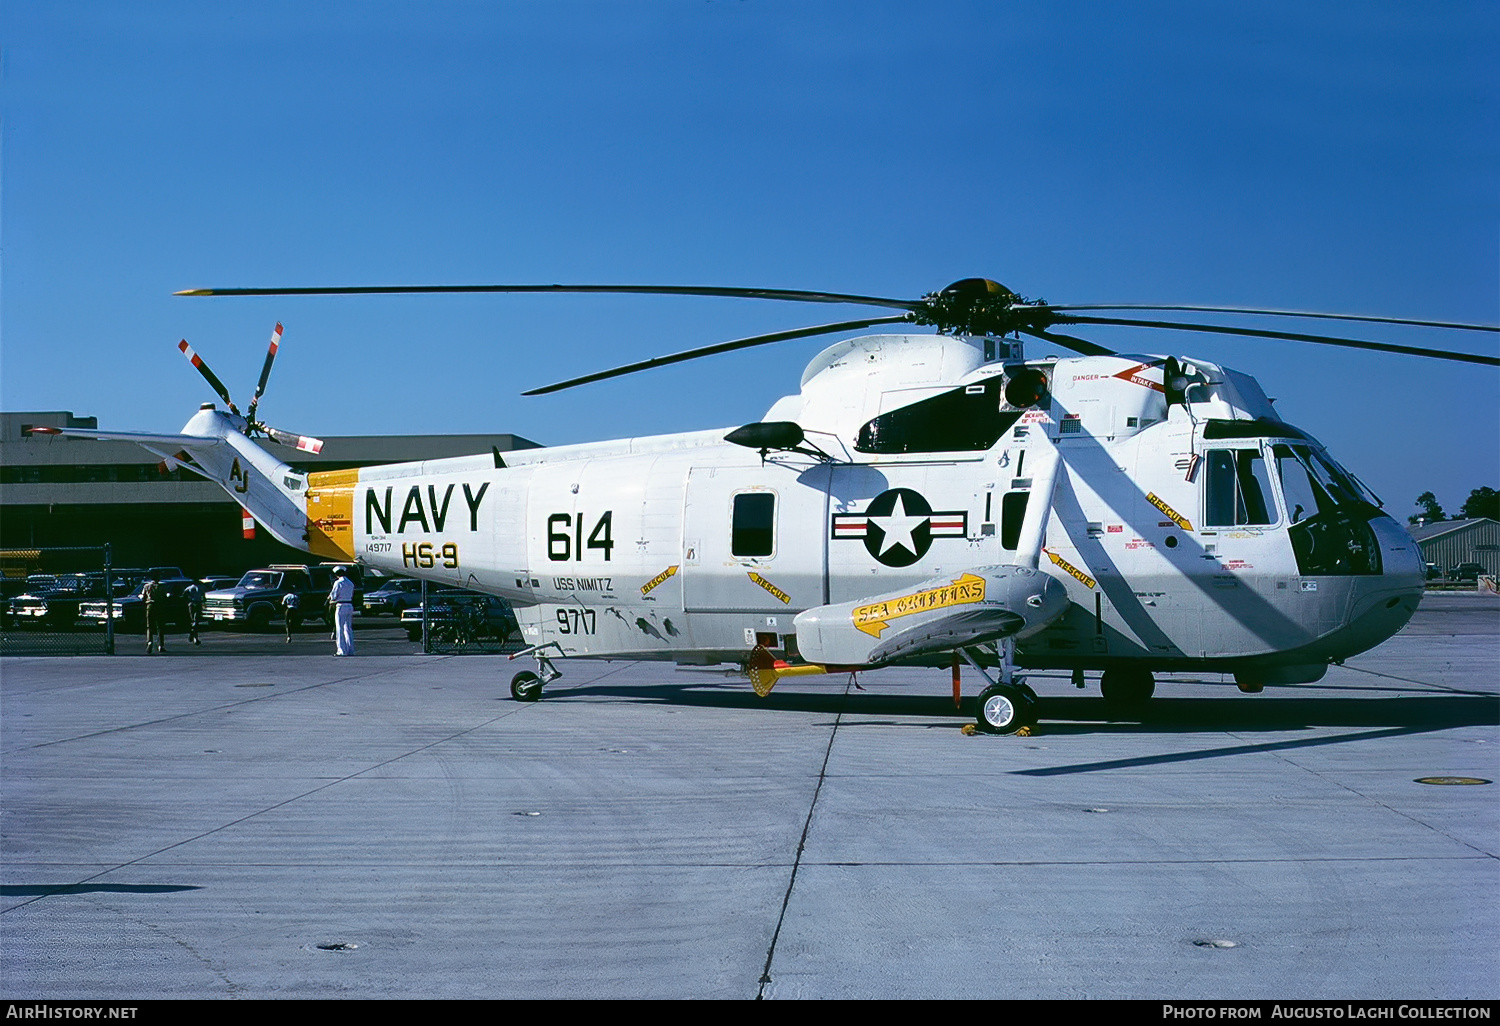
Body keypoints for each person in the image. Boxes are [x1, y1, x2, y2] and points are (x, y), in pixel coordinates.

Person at [327, 566, 355, 656]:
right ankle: (350, 649)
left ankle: (341, 650)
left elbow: (334, 596)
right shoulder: (350, 583)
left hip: (341, 605)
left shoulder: (338, 583)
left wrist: (330, 597)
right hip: (349, 605)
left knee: (340, 628)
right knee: (348, 628)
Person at [142, 573, 166, 654]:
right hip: (159, 605)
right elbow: (164, 597)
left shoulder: (146, 586)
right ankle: (160, 645)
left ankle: (149, 642)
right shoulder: (161, 586)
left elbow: (143, 597)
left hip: (150, 605)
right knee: (160, 626)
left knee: (149, 625)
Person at [183, 581, 204, 646]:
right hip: (197, 604)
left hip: (191, 604)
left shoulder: (189, 588)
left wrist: (188, 599)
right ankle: (194, 637)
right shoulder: (200, 588)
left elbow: (184, 595)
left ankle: (192, 635)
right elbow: (203, 596)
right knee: (195, 621)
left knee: (193, 620)